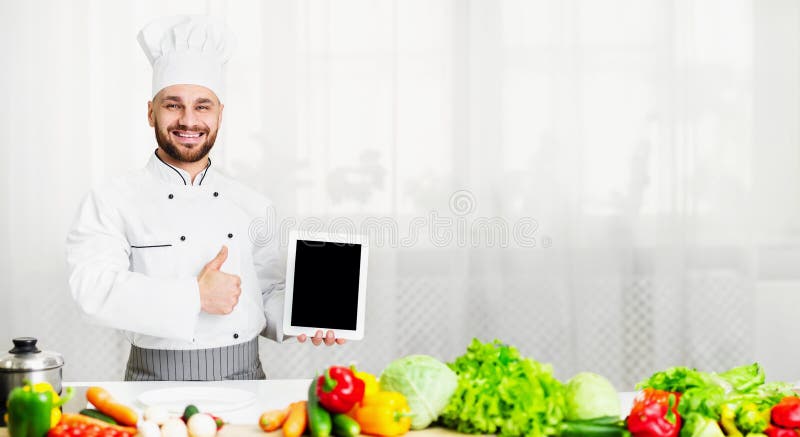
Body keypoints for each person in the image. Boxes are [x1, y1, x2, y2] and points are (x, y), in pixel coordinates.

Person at [65, 15, 343, 381]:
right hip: (152, 383)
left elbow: (266, 292)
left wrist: (306, 316)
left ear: (220, 114)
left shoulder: (253, 205)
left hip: (245, 379)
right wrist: (194, 296)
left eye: (202, 106)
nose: (188, 120)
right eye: (173, 105)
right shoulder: (112, 200)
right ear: (151, 112)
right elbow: (93, 287)